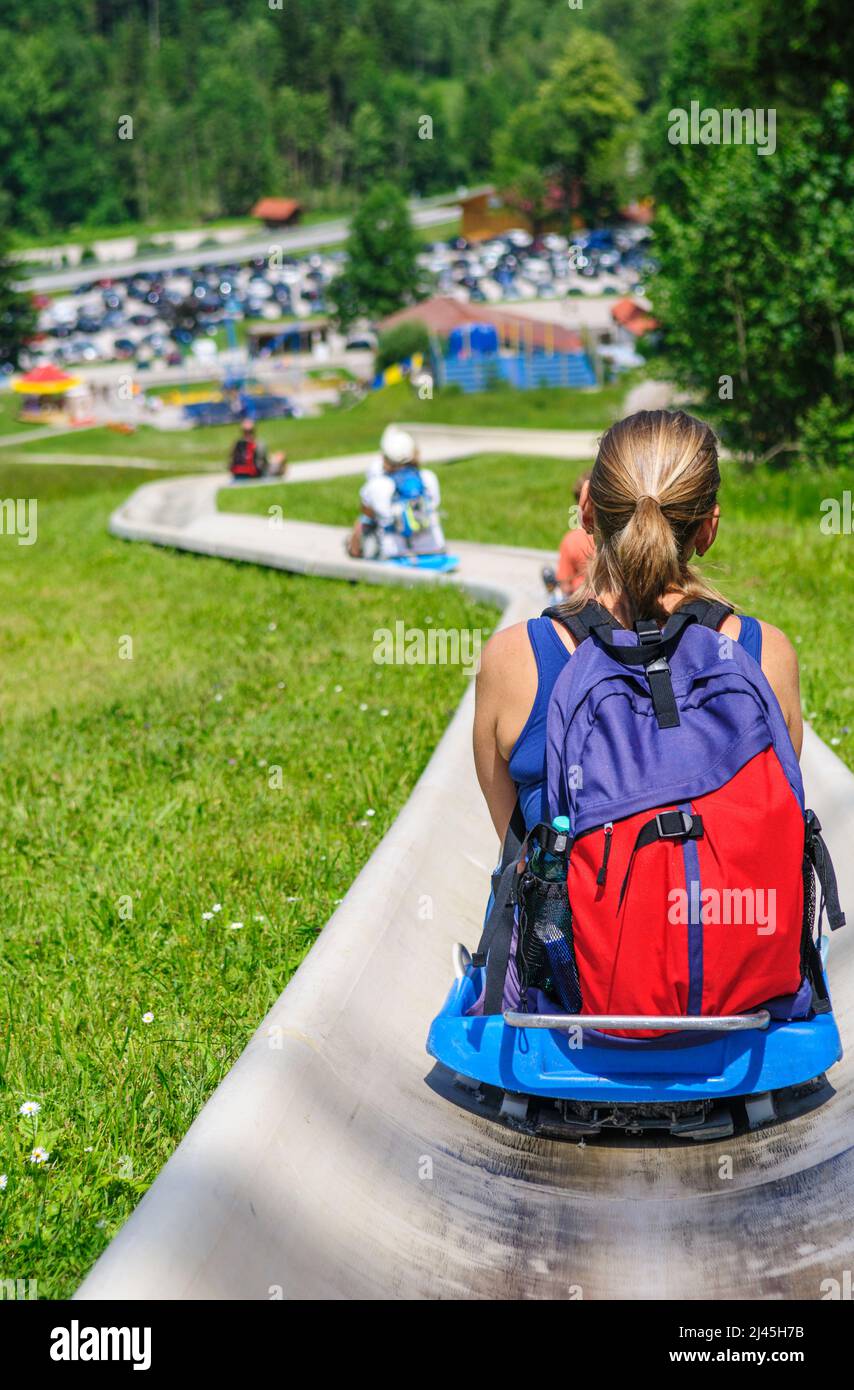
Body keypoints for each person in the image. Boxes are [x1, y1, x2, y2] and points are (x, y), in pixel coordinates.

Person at [472, 410, 805, 1014]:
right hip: (742, 998)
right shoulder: (765, 654)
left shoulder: (516, 660)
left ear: (587, 514)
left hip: (579, 1000)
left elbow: (516, 848)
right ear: (709, 529)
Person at [347, 425, 446, 560]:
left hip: (396, 554)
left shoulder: (376, 485)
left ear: (385, 457)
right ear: (414, 454)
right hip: (434, 550)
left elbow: (366, 515)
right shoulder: (429, 478)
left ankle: (354, 552)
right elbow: (434, 505)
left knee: (365, 520)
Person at [551, 471, 596, 596]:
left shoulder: (572, 540)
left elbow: (565, 586)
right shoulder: (622, 537)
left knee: (555, 596)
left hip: (580, 602)